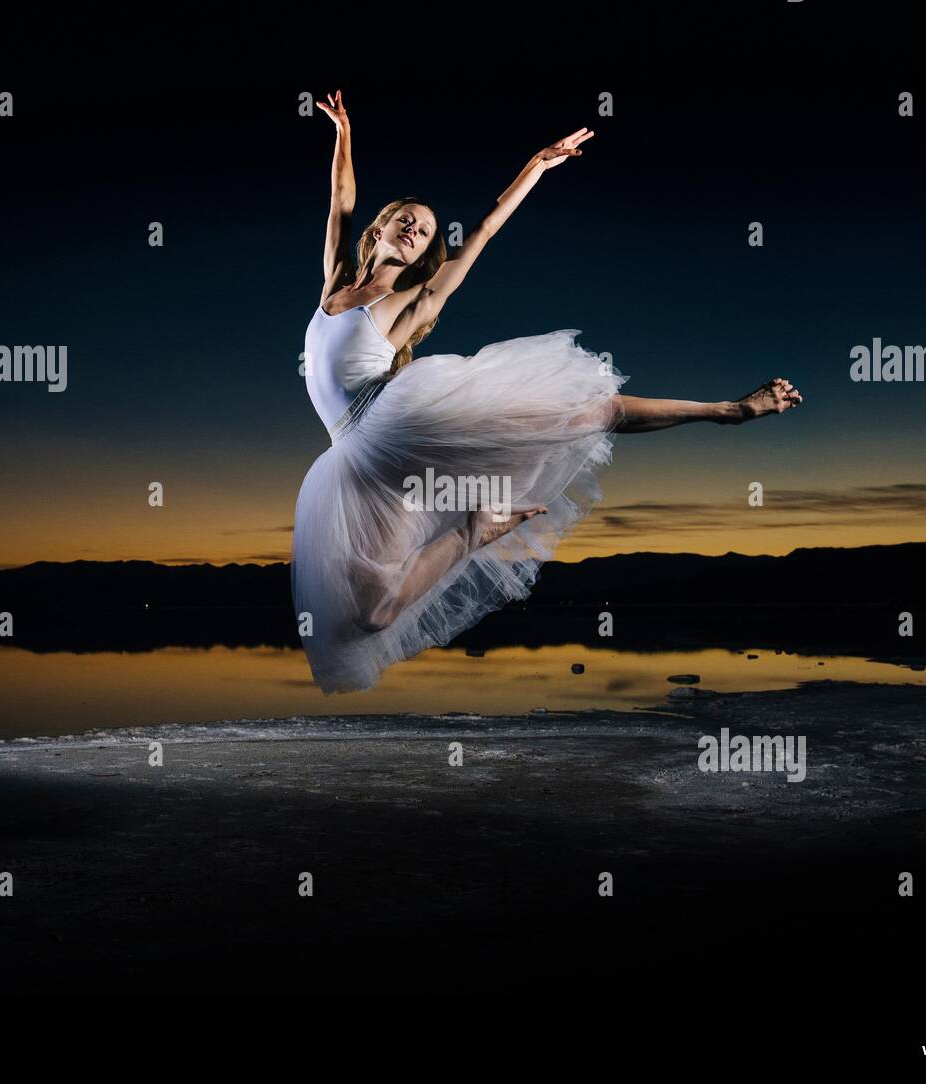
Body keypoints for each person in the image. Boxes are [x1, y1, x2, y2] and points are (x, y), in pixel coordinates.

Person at [293, 90, 802, 693]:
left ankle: (730, 410)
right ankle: (475, 531)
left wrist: (535, 165)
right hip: (353, 461)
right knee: (370, 615)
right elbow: (340, 201)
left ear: (428, 252)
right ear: (381, 228)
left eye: (426, 231)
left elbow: (481, 231)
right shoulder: (334, 284)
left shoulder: (411, 301)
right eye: (406, 219)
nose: (414, 229)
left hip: (395, 421)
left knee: (586, 413)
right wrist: (343, 132)